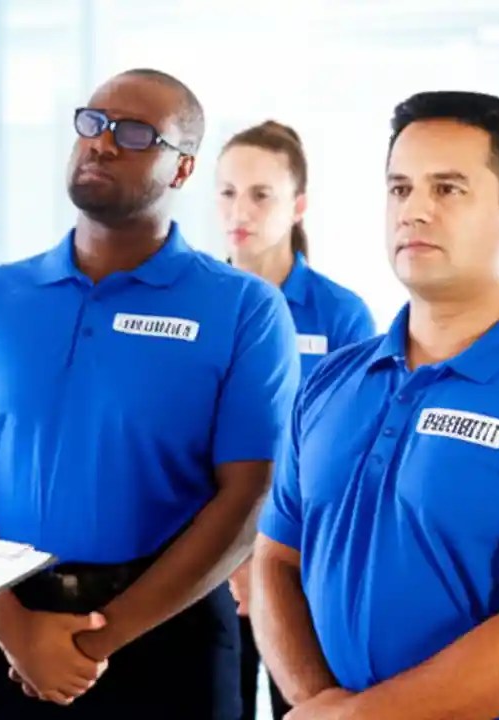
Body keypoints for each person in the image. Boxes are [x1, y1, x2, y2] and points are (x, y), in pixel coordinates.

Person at [0, 68, 301, 720]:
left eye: (136, 133)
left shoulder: (243, 309)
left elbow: (251, 492)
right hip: (0, 628)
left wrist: (101, 636)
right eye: (92, 122)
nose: (103, 142)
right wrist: (13, 629)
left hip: (165, 638)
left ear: (181, 171)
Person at [252, 90, 499, 720]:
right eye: (400, 188)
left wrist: (358, 718)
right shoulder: (330, 384)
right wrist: (318, 703)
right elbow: (275, 560)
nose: (414, 211)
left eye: (447, 189)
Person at [215, 120, 376, 720]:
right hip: (204, 563)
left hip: (306, 564)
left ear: (298, 205)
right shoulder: (195, 304)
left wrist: (272, 556)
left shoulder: (342, 315)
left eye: (261, 194)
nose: (241, 210)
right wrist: (229, 556)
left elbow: (351, 453)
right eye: (228, 191)